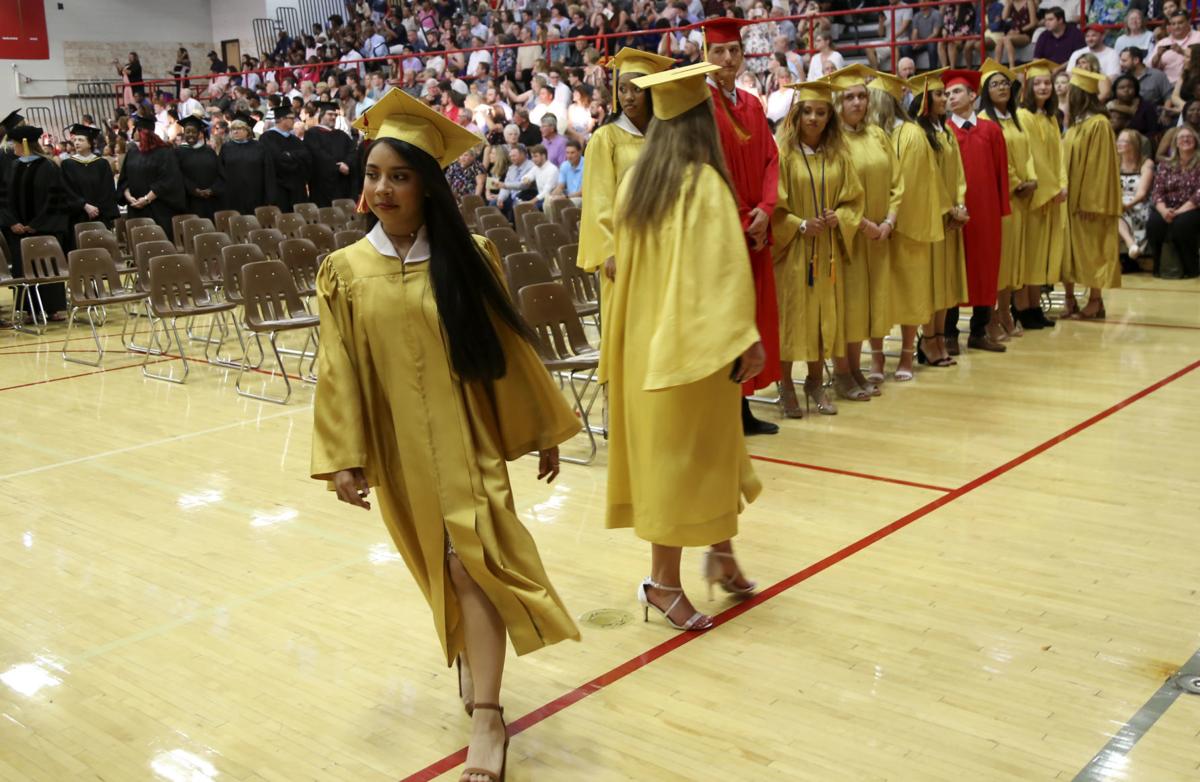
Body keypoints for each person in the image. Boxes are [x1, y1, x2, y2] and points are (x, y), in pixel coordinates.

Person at [311, 88, 580, 782]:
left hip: (468, 445)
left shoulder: (471, 256)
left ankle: (489, 719)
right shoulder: (344, 272)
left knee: (472, 563)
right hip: (401, 456)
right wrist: (344, 457)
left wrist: (542, 428)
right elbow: (337, 369)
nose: (383, 188)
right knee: (443, 570)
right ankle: (471, 654)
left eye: (400, 176)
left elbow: (508, 353)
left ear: (428, 186)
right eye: (374, 174)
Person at [605, 61, 763, 634]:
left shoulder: (635, 185)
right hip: (694, 352)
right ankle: (662, 584)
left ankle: (721, 556)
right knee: (679, 465)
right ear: (704, 123)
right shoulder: (703, 186)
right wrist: (745, 339)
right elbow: (720, 276)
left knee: (708, 454)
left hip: (648, 350)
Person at [704, 17, 783, 435]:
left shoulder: (752, 104)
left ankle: (743, 407)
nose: (727, 58)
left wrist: (767, 209)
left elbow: (772, 159)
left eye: (734, 50)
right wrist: (742, 217)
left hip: (756, 227)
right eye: (719, 51)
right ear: (705, 56)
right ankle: (724, 409)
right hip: (725, 231)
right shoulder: (700, 107)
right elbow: (708, 171)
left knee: (753, 315)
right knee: (728, 316)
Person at [772, 79, 865, 418]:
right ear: (797, 116)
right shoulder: (782, 155)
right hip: (793, 250)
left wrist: (838, 216)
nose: (814, 118)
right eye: (808, 111)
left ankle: (814, 381)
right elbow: (774, 205)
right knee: (791, 318)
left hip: (826, 251)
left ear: (830, 118)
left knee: (822, 318)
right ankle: (785, 385)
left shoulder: (839, 156)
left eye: (821, 112)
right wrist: (799, 223)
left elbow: (854, 199)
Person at [577, 47, 674, 321]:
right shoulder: (606, 138)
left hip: (664, 245)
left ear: (652, 91)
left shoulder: (665, 136)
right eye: (622, 89)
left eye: (637, 89)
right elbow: (598, 199)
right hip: (623, 251)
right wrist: (609, 250)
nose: (628, 97)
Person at [825, 65, 902, 399]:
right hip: (847, 238)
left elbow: (898, 181)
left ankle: (856, 368)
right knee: (848, 306)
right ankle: (843, 371)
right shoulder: (833, 143)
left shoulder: (877, 135)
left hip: (878, 237)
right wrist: (864, 224)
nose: (857, 102)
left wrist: (889, 220)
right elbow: (832, 194)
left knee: (869, 304)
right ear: (837, 103)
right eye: (849, 97)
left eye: (861, 96)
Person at [880, 69, 943, 380]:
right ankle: (877, 360)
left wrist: (890, 221)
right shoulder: (874, 133)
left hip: (904, 231)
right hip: (877, 231)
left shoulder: (911, 135)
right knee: (876, 298)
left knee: (909, 296)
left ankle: (907, 356)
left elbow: (910, 186)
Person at [944, 69, 1011, 353]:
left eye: (956, 92)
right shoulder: (945, 132)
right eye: (946, 94)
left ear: (973, 95)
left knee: (986, 266)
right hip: (956, 211)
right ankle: (948, 333)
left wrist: (1001, 208)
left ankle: (979, 330)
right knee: (954, 267)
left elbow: (1001, 173)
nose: (950, 98)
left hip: (986, 210)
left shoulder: (991, 130)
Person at [910, 68, 970, 368]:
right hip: (931, 219)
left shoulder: (945, 132)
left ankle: (939, 337)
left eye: (946, 94)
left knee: (946, 283)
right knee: (932, 283)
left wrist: (959, 205)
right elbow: (926, 180)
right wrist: (947, 209)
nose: (945, 98)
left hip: (950, 219)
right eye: (938, 94)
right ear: (924, 100)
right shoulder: (918, 135)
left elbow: (958, 173)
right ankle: (928, 339)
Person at [978, 59, 1037, 341]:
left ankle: (1007, 310)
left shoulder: (1015, 118)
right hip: (1003, 197)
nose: (1002, 88)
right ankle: (994, 315)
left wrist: (1032, 179)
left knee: (1014, 259)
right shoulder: (985, 122)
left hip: (1022, 198)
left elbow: (1027, 154)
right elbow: (997, 162)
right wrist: (1017, 183)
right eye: (995, 84)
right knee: (999, 261)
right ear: (984, 91)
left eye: (1004, 83)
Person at [1061, 69, 1122, 316]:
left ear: (1080, 95)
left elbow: (1100, 167)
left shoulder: (1099, 124)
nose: (1065, 96)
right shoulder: (1075, 124)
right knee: (1069, 252)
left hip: (1088, 203)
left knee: (1092, 250)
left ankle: (1095, 300)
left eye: (1070, 93)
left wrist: (1090, 202)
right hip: (1068, 200)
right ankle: (1069, 299)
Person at [1014, 59, 1068, 327]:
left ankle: (1035, 306)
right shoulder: (1024, 116)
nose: (1044, 87)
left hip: (1050, 192)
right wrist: (1050, 186)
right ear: (1028, 87)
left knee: (1039, 255)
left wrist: (1062, 183)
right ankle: (1023, 308)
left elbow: (1059, 155)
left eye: (1048, 82)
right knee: (1028, 255)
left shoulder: (1050, 117)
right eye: (1039, 83)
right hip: (1034, 194)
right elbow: (1032, 157)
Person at [0, 125, 70, 323]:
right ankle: (29, 310)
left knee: (48, 266)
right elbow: (3, 199)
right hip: (19, 232)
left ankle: (52, 309)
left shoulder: (49, 167)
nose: (13, 147)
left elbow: (56, 200)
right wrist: (13, 223)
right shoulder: (13, 167)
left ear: (25, 144)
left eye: (15, 144)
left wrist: (37, 224)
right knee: (23, 268)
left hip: (44, 230)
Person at [1145, 124, 1200, 277]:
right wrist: (1163, 211)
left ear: (1195, 141)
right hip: (1168, 209)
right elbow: (1157, 192)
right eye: (1182, 137)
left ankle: (1190, 268)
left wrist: (1178, 212)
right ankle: (1159, 266)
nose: (1186, 140)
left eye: (1189, 137)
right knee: (1154, 224)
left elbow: (1198, 194)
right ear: (1176, 143)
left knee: (1182, 224)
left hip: (1193, 208)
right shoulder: (1165, 164)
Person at [117, 116, 186, 236]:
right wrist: (128, 196)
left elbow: (168, 180)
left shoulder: (164, 153)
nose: (133, 134)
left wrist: (146, 199)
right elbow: (125, 179)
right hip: (135, 209)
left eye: (136, 130)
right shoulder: (132, 153)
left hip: (158, 209)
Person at [61, 124, 119, 230]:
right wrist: (84, 205)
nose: (77, 143)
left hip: (99, 215)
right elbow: (66, 190)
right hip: (77, 216)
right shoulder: (67, 164)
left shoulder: (102, 164)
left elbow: (107, 190)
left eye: (81, 140)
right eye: (75, 140)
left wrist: (96, 209)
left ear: (90, 143)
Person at [216, 114, 276, 216]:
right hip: (233, 194)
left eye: (239, 128)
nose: (235, 131)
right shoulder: (226, 148)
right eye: (233, 129)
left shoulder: (259, 147)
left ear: (247, 130)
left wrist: (270, 196)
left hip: (256, 194)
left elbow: (268, 172)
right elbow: (220, 171)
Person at [260, 104, 312, 212]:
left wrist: (289, 155)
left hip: (297, 188)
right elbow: (277, 159)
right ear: (282, 119)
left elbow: (306, 157)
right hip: (279, 187)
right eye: (292, 118)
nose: (295, 121)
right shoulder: (267, 138)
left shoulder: (294, 139)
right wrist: (295, 158)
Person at [304, 102, 357, 207]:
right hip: (322, 184)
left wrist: (346, 163)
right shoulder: (312, 134)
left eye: (335, 115)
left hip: (342, 183)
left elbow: (352, 151)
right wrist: (337, 166)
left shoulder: (342, 135)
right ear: (321, 115)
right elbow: (318, 154)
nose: (333, 117)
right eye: (330, 114)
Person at [1116, 128, 1155, 263]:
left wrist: (1126, 206)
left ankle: (1130, 246)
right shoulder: (1114, 162)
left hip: (1138, 204)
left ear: (1134, 144)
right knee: (1112, 212)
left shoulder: (1146, 163)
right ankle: (1130, 244)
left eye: (1124, 141)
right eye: (1118, 141)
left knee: (1115, 213)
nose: (1119, 144)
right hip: (1118, 203)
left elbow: (1142, 193)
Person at [174, 116, 220, 221]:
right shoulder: (178, 153)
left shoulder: (209, 152)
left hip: (210, 200)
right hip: (190, 200)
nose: (190, 135)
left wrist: (212, 190)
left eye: (193, 132)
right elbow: (177, 175)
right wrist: (193, 189)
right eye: (187, 132)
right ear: (184, 133)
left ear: (199, 133)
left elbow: (219, 173)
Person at [1151, 11, 1200, 84]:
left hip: (1192, 83)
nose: (1177, 26)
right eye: (1173, 24)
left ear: (1188, 22)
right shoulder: (1163, 42)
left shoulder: (1198, 37)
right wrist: (1158, 56)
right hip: (1167, 85)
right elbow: (1151, 68)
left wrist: (1183, 52)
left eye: (1180, 23)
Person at [491, 142, 535, 221]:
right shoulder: (511, 168)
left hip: (525, 196)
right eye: (510, 156)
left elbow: (523, 185)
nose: (512, 158)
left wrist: (505, 185)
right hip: (512, 196)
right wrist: (501, 198)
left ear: (523, 155)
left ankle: (515, 229)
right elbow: (505, 187)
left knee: (515, 204)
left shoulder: (531, 166)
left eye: (514, 156)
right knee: (494, 203)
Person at [554, 139, 583, 205]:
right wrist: (554, 194)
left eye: (572, 153)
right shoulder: (564, 165)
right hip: (569, 197)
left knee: (573, 202)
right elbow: (560, 186)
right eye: (567, 153)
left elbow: (582, 192)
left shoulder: (587, 165)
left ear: (580, 152)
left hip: (583, 198)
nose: (569, 156)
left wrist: (565, 197)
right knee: (548, 201)